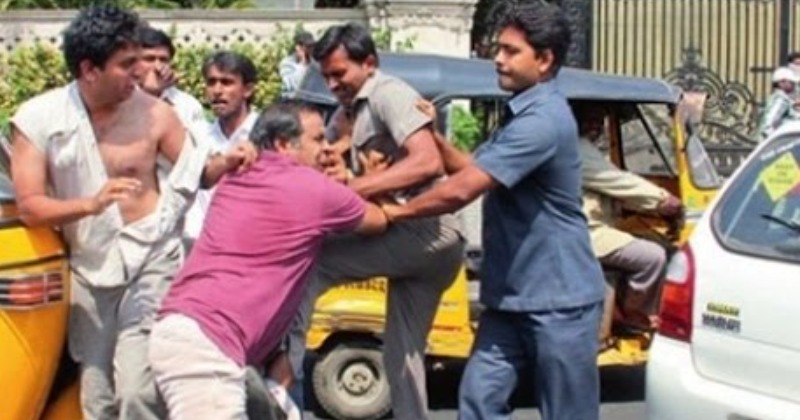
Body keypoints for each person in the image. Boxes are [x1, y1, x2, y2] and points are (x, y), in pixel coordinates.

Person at [9, 6, 255, 419]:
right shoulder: (39, 120)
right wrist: (89, 205)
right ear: (89, 69)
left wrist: (228, 161)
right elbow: (31, 207)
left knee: (137, 391)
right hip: (90, 266)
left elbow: (198, 173)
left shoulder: (155, 113)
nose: (140, 72)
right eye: (127, 64)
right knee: (96, 395)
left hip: (152, 259)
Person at [382, 2, 606, 419]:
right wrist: (432, 137)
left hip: (558, 302)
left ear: (544, 60)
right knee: (479, 402)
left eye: (509, 51)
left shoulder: (543, 120)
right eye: (497, 48)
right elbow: (475, 168)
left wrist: (394, 214)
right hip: (510, 299)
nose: (497, 59)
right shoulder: (520, 113)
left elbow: (461, 190)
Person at [149, 101, 389, 419]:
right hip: (210, 349)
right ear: (283, 144)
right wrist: (364, 179)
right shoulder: (313, 189)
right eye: (318, 139)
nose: (328, 150)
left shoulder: (238, 178)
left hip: (184, 330)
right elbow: (378, 221)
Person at [287, 23, 464, 420]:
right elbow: (327, 161)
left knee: (311, 264)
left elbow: (427, 162)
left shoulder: (390, 94)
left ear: (369, 63)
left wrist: (358, 186)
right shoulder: (347, 111)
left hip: (426, 232)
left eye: (339, 74)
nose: (333, 84)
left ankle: (283, 374)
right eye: (327, 76)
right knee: (401, 356)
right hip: (423, 244)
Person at [574, 103, 683, 334]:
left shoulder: (583, 149)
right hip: (585, 232)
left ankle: (622, 309)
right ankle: (636, 318)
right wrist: (663, 200)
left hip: (585, 227)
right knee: (652, 257)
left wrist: (648, 203)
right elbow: (619, 182)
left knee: (645, 242)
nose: (595, 127)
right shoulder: (578, 149)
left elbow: (615, 187)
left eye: (598, 122)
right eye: (589, 120)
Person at [183, 51, 261, 248]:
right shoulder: (197, 137)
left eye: (226, 82)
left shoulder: (265, 135)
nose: (217, 91)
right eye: (211, 82)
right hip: (199, 245)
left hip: (250, 244)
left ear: (248, 90)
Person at [136, 25, 209, 136]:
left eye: (163, 59)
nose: (157, 66)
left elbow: (202, 144)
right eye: (149, 59)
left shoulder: (187, 104)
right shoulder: (119, 100)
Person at [758, 67, 800, 141]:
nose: (794, 85)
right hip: (779, 144)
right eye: (791, 82)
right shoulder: (780, 99)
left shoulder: (779, 98)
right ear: (781, 82)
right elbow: (769, 123)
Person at [279, 31, 315, 97]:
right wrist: (303, 62)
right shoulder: (287, 63)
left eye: (312, 46)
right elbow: (296, 85)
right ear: (298, 47)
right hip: (293, 100)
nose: (311, 49)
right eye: (308, 46)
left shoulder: (315, 62)